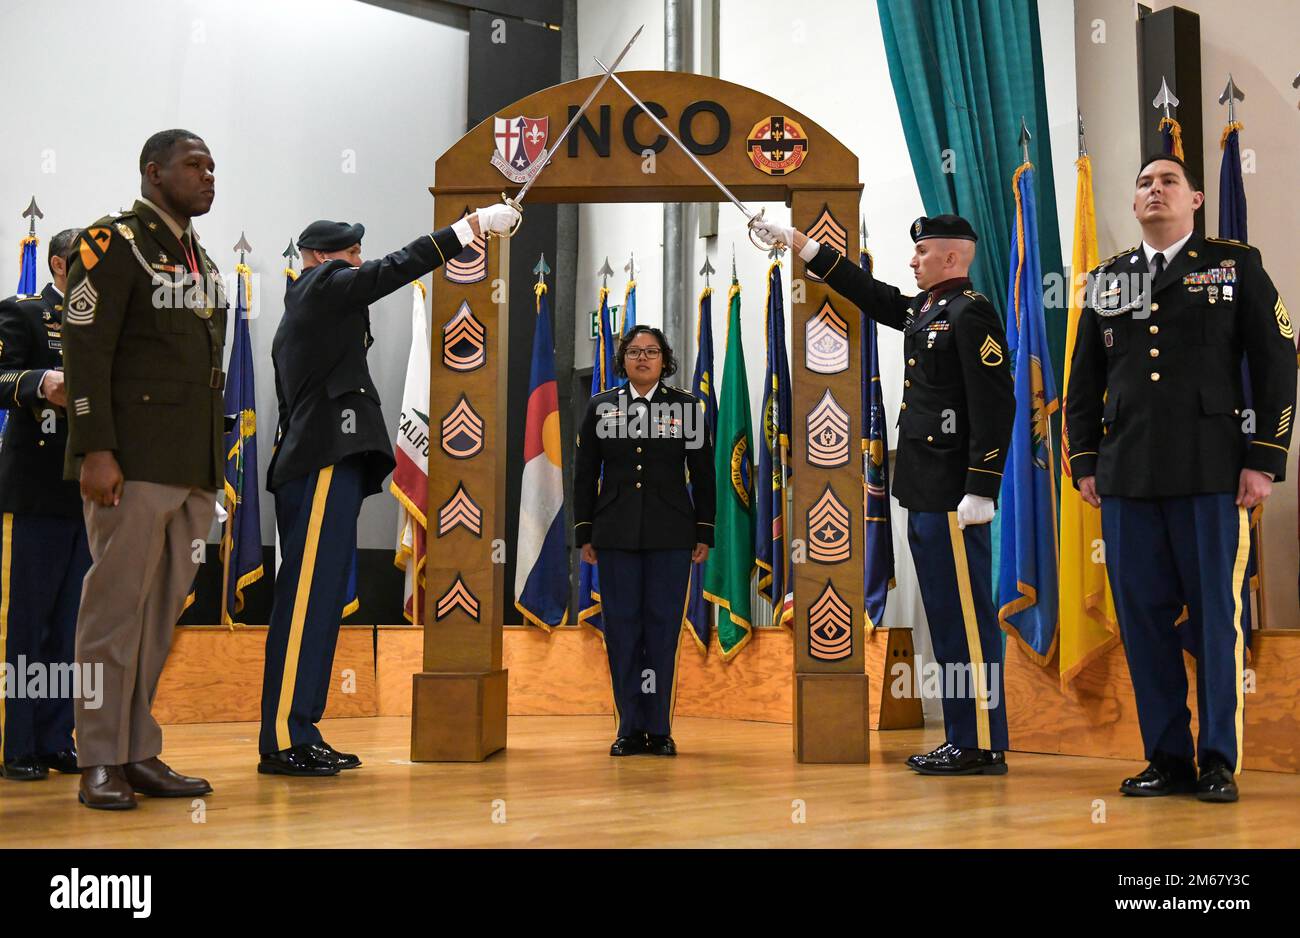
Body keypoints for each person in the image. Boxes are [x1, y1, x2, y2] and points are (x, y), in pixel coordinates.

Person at [1065, 154, 1295, 803]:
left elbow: (1277, 360)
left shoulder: (1232, 265)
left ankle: (1218, 758)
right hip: (1129, 476)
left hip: (1210, 472)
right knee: (1142, 621)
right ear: (1133, 204)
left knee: (1218, 620)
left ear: (1195, 199)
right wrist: (1085, 459)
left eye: (1167, 181)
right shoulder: (1108, 281)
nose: (1153, 190)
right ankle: (1167, 757)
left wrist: (1265, 456)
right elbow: (1084, 380)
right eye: (1142, 183)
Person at [258, 203, 519, 776]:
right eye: (351, 254)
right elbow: (390, 270)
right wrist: (467, 231)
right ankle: (281, 737)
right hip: (321, 458)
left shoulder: (324, 300)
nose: (359, 263)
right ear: (322, 259)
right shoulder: (319, 284)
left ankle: (301, 728)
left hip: (333, 460)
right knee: (305, 604)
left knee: (322, 604)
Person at [752, 213, 1014, 775]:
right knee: (945, 617)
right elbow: (871, 295)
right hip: (924, 491)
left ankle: (982, 741)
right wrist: (802, 245)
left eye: (921, 254)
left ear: (951, 257)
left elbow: (995, 407)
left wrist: (982, 486)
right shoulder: (926, 311)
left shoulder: (972, 313)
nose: (912, 262)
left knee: (968, 619)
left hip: (955, 497)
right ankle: (963, 735)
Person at [62, 129, 226, 809]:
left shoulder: (201, 260)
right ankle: (98, 757)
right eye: (194, 165)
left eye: (213, 166)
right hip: (130, 464)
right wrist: (94, 447)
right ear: (154, 173)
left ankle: (137, 749)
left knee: (159, 619)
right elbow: (85, 348)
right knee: (112, 617)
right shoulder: (114, 242)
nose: (208, 175)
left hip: (189, 466)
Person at [573, 324, 714, 757]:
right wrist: (585, 532)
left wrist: (703, 530)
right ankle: (629, 728)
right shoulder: (601, 408)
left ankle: (660, 728)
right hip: (614, 535)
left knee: (662, 630)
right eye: (634, 352)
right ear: (623, 360)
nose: (642, 358)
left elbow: (704, 474)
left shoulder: (687, 408)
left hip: (671, 535)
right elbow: (584, 474)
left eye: (651, 352)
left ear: (664, 360)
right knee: (622, 631)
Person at [0, 228, 88, 781]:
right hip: (38, 488)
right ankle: (20, 744)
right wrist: (38, 382)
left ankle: (58, 737)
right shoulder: (26, 312)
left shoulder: (104, 319)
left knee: (73, 626)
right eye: (85, 261)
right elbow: (1, 374)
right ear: (57, 264)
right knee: (30, 623)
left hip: (92, 491)